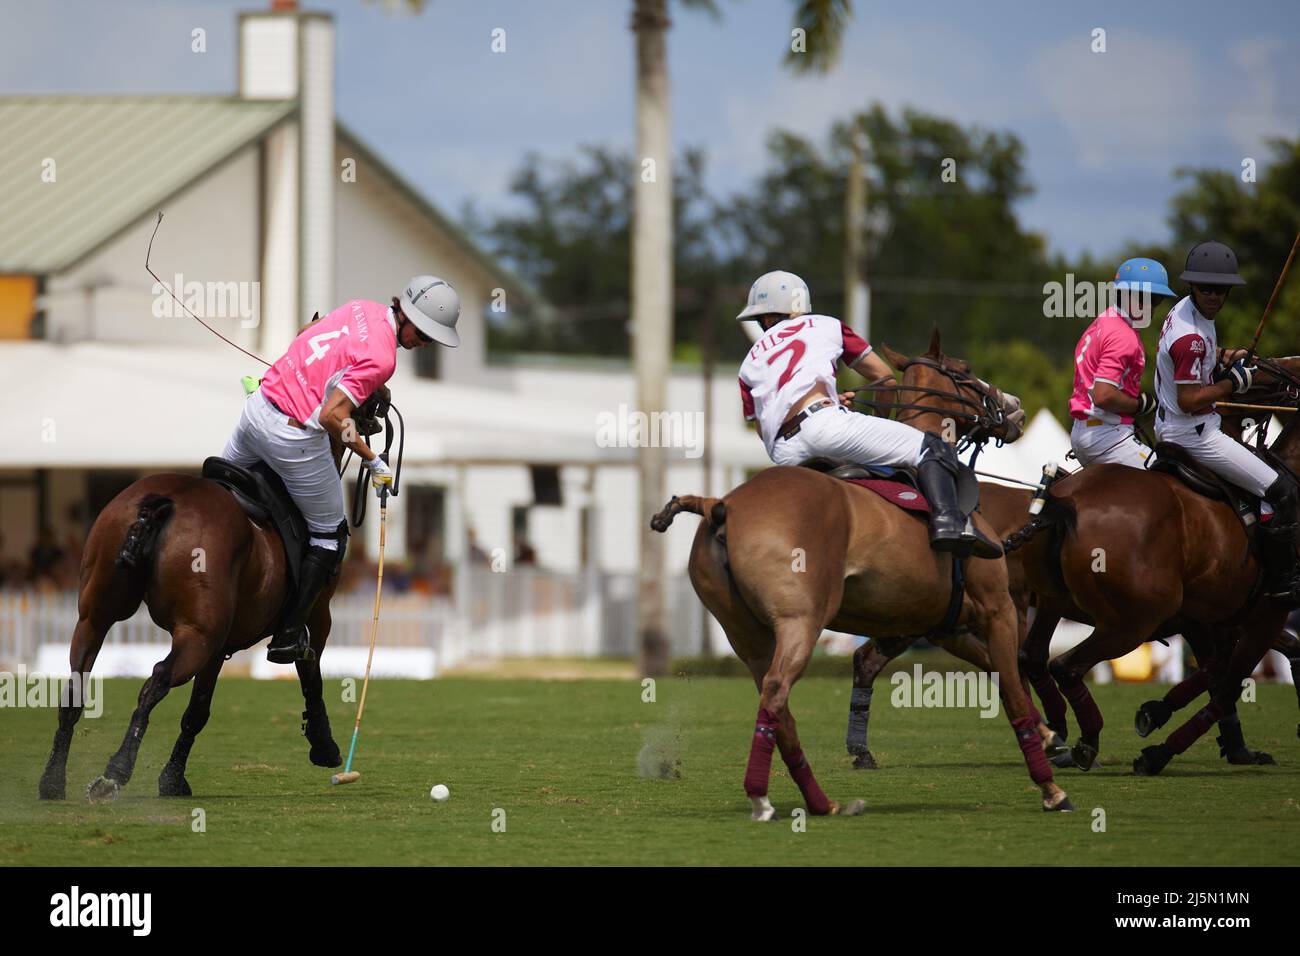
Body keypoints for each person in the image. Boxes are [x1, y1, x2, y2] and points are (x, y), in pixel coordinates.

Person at [223, 277, 461, 662]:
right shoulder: (384, 358)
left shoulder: (359, 308)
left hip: (256, 409)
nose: (425, 343)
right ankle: (287, 634)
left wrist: (352, 384)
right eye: (425, 333)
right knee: (331, 535)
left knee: (219, 493)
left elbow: (306, 334)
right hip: (292, 436)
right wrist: (372, 459)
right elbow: (334, 417)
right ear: (408, 316)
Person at [736, 270, 1000, 558]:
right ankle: (949, 522)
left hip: (783, 454)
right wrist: (877, 419)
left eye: (762, 318)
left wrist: (831, 402)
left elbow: (764, 428)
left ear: (767, 317)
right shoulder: (828, 325)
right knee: (931, 446)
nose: (763, 324)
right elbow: (884, 378)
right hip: (827, 428)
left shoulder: (748, 363)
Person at [1154, 240, 1300, 602]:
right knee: (1282, 491)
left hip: (1177, 424)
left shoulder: (1189, 312)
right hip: (1194, 434)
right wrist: (1231, 382)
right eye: (1207, 289)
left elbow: (1200, 356)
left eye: (1221, 290)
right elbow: (1189, 400)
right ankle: (1281, 584)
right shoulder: (1190, 338)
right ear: (1192, 286)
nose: (1214, 296)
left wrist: (1226, 355)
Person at [1068, 257, 1172, 467]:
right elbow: (1103, 395)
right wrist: (1139, 405)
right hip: (1106, 435)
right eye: (1143, 298)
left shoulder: (1104, 319)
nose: (1150, 307)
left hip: (1085, 430)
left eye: (1156, 300)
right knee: (1166, 476)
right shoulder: (1124, 336)